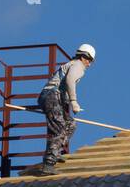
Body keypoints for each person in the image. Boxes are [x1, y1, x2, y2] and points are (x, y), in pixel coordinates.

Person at [34, 43, 95, 175]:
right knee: (60, 128)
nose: (89, 64)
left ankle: (55, 151)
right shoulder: (78, 65)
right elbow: (70, 80)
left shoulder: (72, 64)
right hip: (52, 96)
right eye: (89, 61)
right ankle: (49, 163)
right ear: (84, 57)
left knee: (70, 124)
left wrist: (67, 100)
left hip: (53, 97)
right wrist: (73, 101)